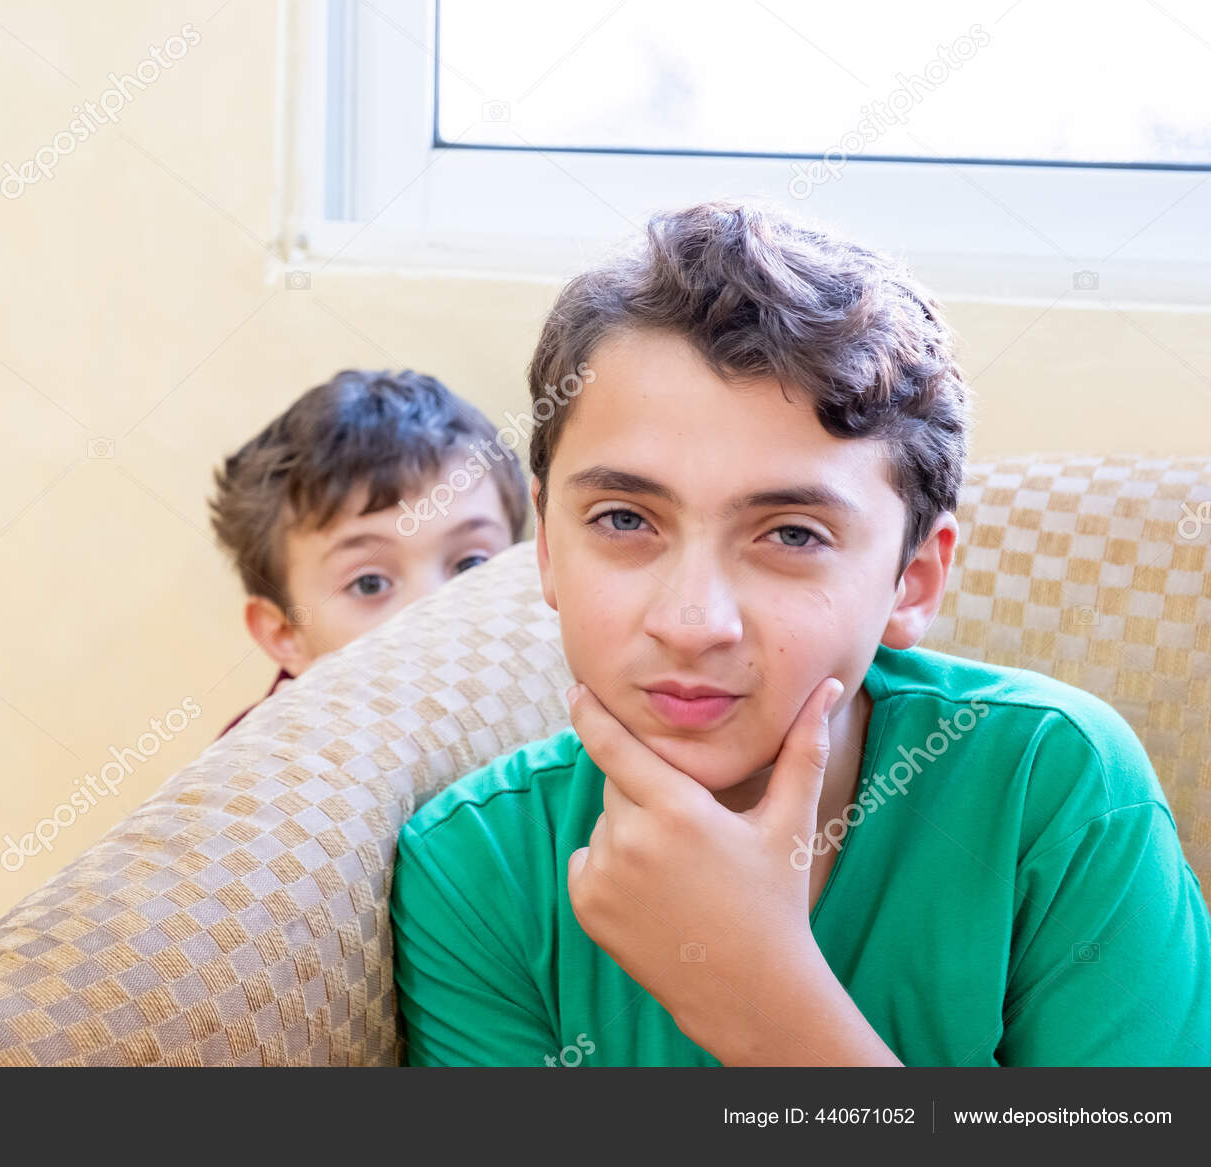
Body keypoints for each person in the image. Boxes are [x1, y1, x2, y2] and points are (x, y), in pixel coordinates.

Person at [391, 200, 1211, 1066]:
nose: (692, 622)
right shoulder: (473, 871)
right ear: (549, 549)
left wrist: (767, 998)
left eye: (790, 535)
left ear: (913, 579)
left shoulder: (1056, 787)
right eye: (626, 518)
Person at [209, 369, 529, 737]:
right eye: (370, 584)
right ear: (284, 635)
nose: (435, 612)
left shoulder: (572, 699)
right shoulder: (260, 765)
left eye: (472, 564)